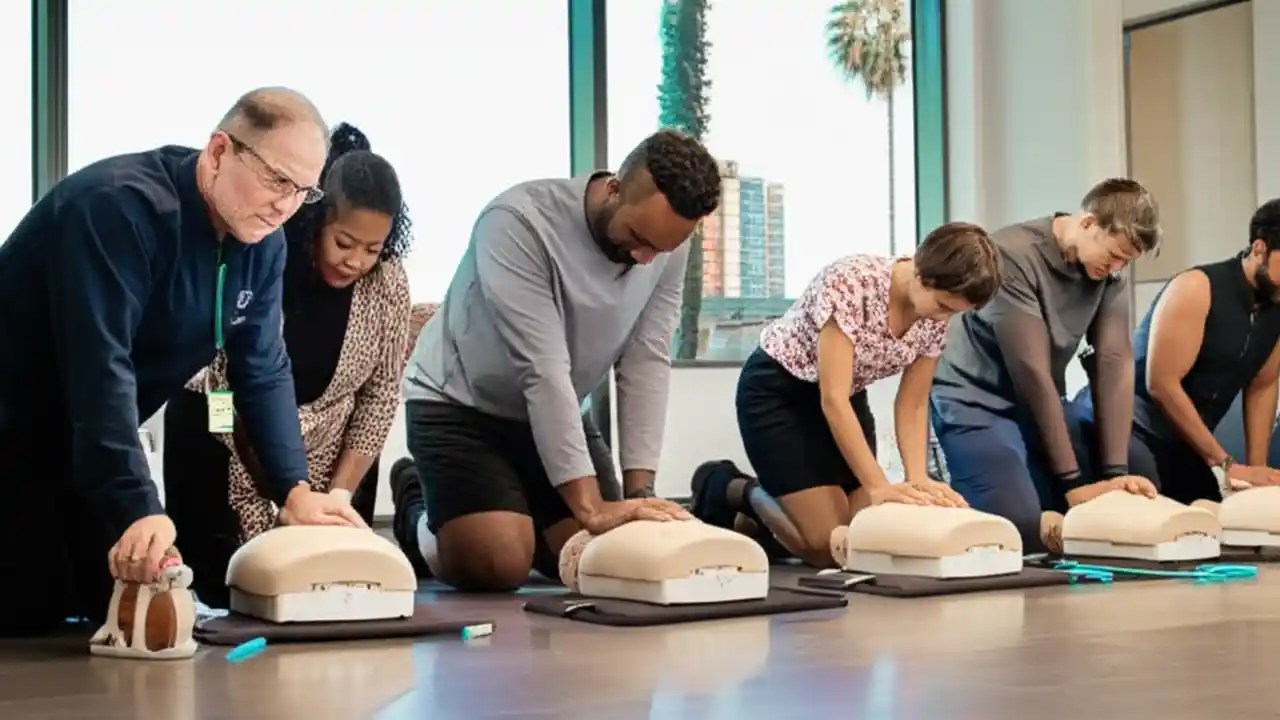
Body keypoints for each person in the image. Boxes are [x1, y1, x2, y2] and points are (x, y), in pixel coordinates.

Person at [0, 87, 367, 636]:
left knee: (127, 601)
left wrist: (294, 489)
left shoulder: (264, 243)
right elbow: (101, 369)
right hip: (16, 428)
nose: (285, 205)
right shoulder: (117, 208)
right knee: (29, 609)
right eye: (276, 179)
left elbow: (262, 367)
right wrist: (137, 504)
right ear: (219, 151)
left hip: (79, 445)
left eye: (303, 191)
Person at [396, 129, 720, 592]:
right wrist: (590, 507)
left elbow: (647, 358)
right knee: (500, 563)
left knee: (598, 557)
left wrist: (640, 494)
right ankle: (418, 510)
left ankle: (508, 510)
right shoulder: (516, 223)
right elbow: (542, 368)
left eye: (660, 249)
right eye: (637, 237)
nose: (645, 259)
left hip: (554, 408)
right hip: (460, 407)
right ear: (613, 187)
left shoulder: (666, 245)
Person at [161, 122, 413, 606]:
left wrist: (336, 496)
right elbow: (226, 384)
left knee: (331, 589)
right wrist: (285, 495)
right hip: (233, 432)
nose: (356, 260)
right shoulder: (265, 256)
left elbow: (380, 394)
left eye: (372, 249)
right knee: (226, 590)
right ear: (317, 221)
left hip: (329, 451)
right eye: (344, 243)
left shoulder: (387, 283)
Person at [689, 223, 1001, 568]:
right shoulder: (852, 283)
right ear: (921, 271)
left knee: (862, 530)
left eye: (953, 312)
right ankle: (731, 487)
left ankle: (769, 521)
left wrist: (918, 479)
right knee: (829, 544)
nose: (943, 317)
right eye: (942, 305)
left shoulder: (934, 315)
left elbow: (912, 403)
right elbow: (831, 398)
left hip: (848, 398)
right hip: (779, 392)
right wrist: (879, 486)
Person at [928, 178, 1162, 553]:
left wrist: (1115, 475)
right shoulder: (1011, 254)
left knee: (1141, 474)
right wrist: (1074, 485)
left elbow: (1113, 361)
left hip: (1040, 403)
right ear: (1088, 223)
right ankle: (943, 475)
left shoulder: (1109, 271)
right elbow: (1030, 371)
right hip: (975, 400)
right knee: (1016, 523)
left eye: (1126, 261)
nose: (1117, 266)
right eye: (1114, 254)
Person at [1069, 199, 1280, 504]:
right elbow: (1162, 385)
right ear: (1259, 249)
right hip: (1127, 425)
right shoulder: (1197, 287)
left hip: (1184, 442)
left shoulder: (1275, 307)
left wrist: (1257, 473)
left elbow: (1263, 385)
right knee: (1154, 500)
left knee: (1213, 512)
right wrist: (1226, 465)